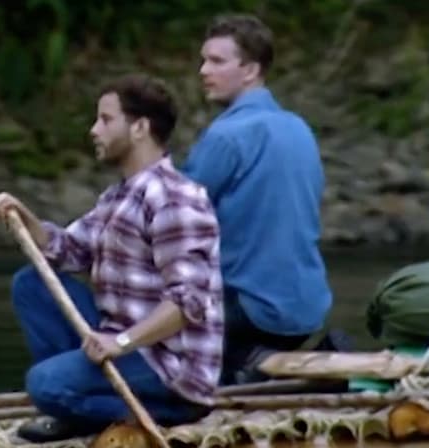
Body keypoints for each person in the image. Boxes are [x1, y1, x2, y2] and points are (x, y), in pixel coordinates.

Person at [0, 73, 224, 443]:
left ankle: (124, 409)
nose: (94, 130)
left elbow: (188, 303)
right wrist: (22, 216)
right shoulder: (117, 198)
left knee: (44, 384)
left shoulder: (175, 198)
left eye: (106, 119)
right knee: (31, 283)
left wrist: (122, 343)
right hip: (123, 346)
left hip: (168, 368)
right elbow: (67, 250)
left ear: (140, 128)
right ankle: (77, 396)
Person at [180, 13, 340, 386]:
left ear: (250, 70)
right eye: (203, 60)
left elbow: (171, 217)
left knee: (148, 334)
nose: (203, 71)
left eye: (216, 61)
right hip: (307, 310)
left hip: (251, 312)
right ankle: (280, 366)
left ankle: (250, 365)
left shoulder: (227, 135)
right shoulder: (299, 128)